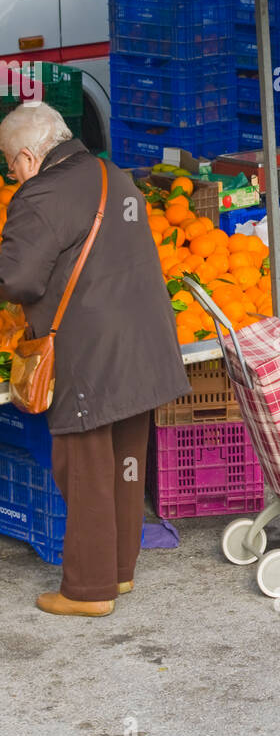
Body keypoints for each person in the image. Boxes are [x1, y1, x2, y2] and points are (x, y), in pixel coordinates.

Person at [0, 104, 190, 616]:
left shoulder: (39, 193)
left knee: (83, 465)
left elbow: (18, 280)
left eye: (8, 164)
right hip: (144, 344)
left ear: (26, 156)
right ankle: (120, 572)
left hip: (91, 351)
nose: (10, 174)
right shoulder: (114, 174)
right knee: (126, 461)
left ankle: (88, 590)